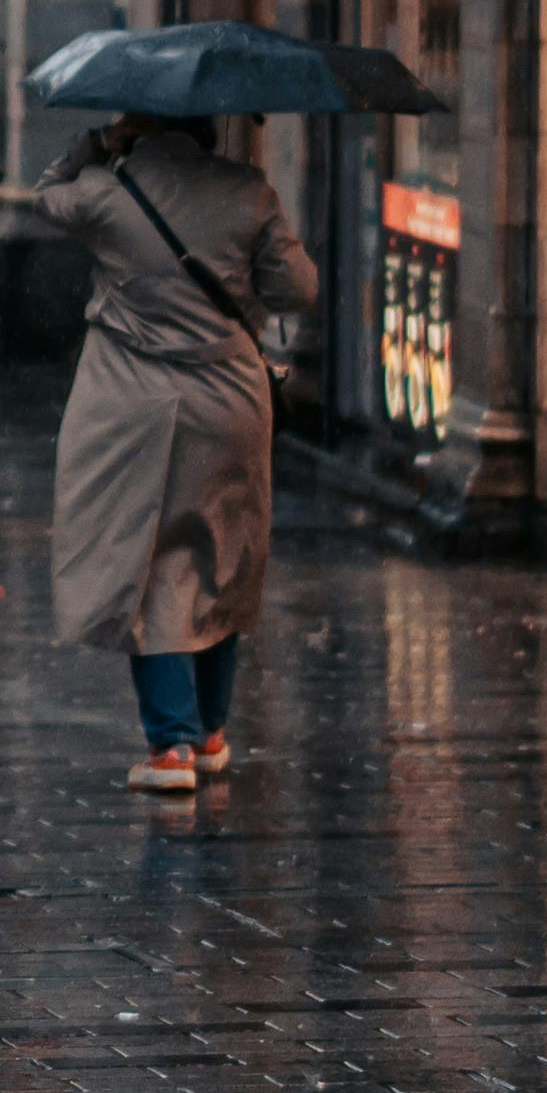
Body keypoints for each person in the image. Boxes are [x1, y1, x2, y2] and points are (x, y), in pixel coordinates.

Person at [36, 111, 318, 790]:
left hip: (135, 403)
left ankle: (172, 746)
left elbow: (47, 193)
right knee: (222, 553)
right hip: (230, 399)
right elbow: (298, 289)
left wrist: (96, 143)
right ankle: (213, 729)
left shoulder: (109, 193)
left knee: (155, 560)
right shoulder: (248, 192)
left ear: (139, 130)